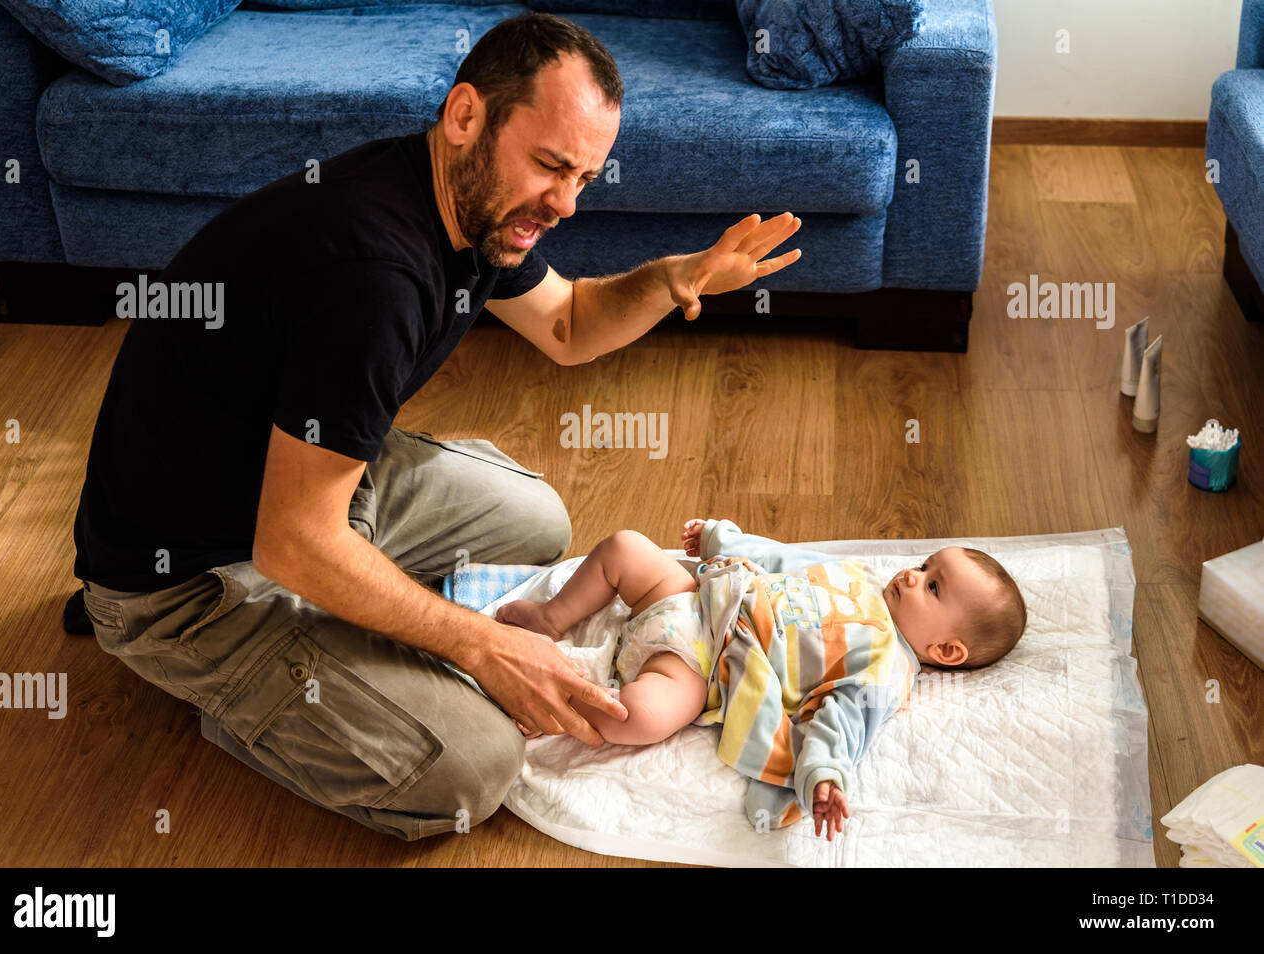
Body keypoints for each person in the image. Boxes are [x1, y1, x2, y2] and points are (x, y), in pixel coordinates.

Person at [71, 12, 803, 840]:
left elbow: (565, 323)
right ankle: (237, 692)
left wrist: (675, 278)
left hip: (281, 491)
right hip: (185, 588)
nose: (563, 203)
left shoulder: (472, 199)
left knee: (538, 522)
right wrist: (479, 646)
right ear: (467, 116)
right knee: (474, 768)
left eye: (584, 178)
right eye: (551, 166)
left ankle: (343, 610)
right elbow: (291, 544)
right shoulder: (374, 270)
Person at [495, 518, 1028, 841]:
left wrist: (823, 776)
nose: (912, 575)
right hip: (690, 597)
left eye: (933, 587)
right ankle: (551, 619)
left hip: (701, 665)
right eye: (924, 565)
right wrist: (721, 539)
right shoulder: (861, 578)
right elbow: (785, 561)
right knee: (624, 547)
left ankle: (559, 704)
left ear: (946, 650)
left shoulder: (884, 670)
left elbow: (841, 726)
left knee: (643, 715)